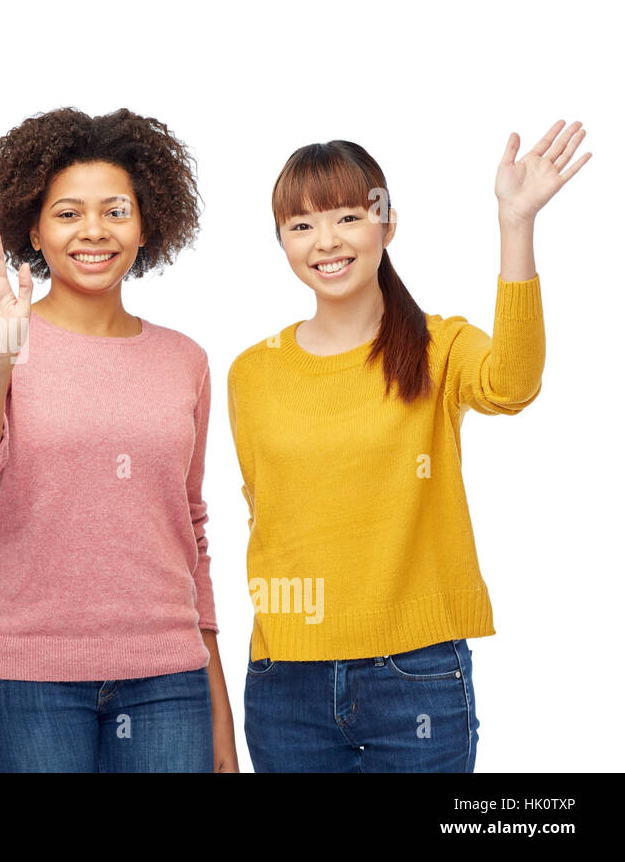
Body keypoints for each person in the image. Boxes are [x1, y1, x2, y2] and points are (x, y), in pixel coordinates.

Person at [228, 121, 590, 772]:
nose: (327, 241)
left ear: (387, 225)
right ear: (281, 240)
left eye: (347, 216)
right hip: (286, 680)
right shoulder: (253, 372)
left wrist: (516, 225)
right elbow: (267, 514)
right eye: (301, 225)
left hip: (416, 673)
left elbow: (513, 384)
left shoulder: (436, 346)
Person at [0, 107, 236, 772]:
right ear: (33, 230)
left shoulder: (185, 359)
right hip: (27, 677)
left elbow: (191, 526)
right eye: (68, 213)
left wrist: (218, 707)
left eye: (115, 211)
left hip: (167, 678)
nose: (92, 231)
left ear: (146, 223)